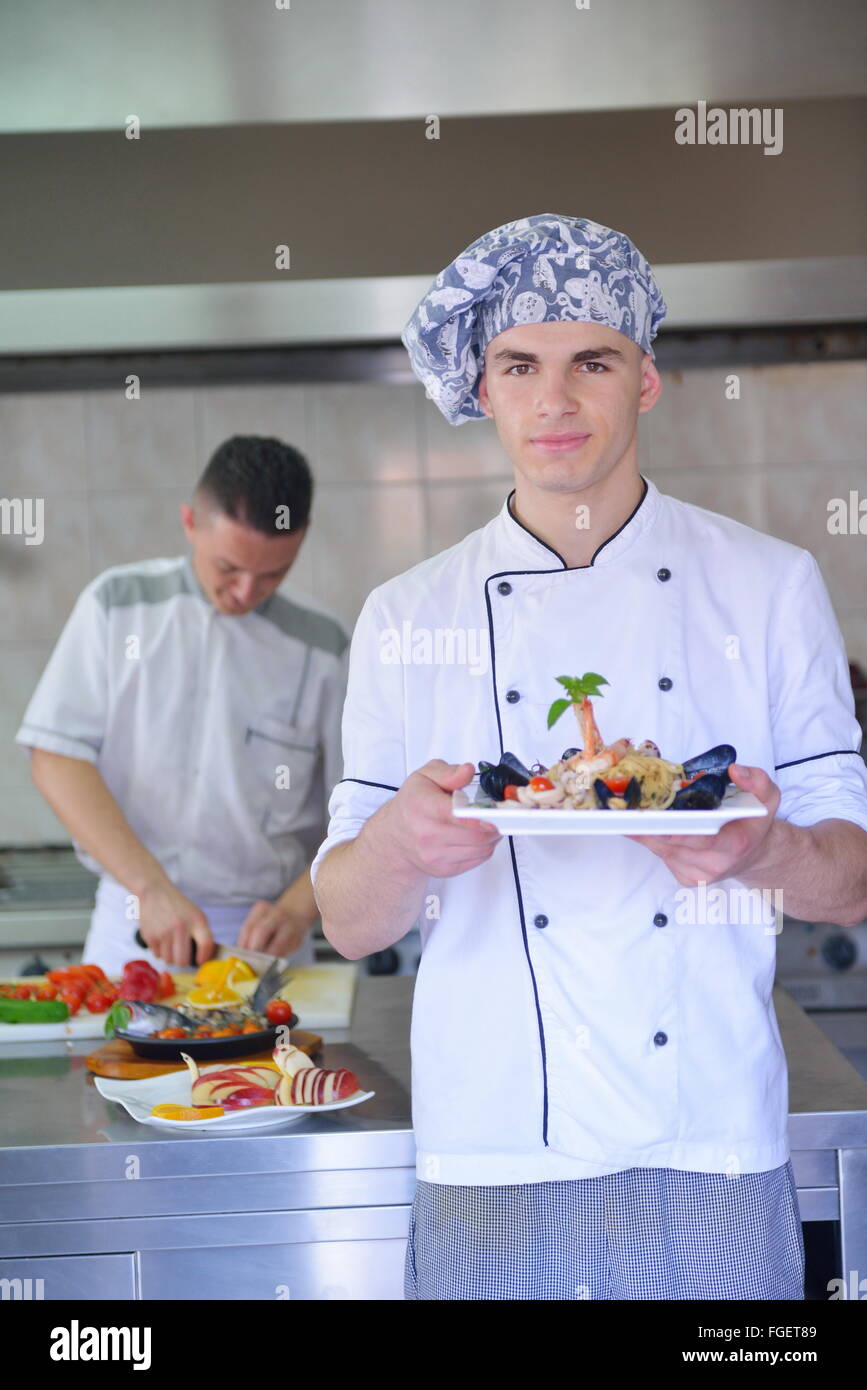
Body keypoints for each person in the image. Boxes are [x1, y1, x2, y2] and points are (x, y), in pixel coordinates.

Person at [310, 214, 867, 1300]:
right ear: (484, 385)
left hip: (708, 1146)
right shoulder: (404, 614)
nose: (554, 400)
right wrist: (401, 846)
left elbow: (852, 879)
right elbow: (349, 918)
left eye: (591, 362)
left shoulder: (768, 584)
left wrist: (764, 853)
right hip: (491, 1155)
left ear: (646, 381)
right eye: (521, 366)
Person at [17, 435, 349, 974]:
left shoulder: (326, 648)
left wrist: (300, 906)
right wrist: (149, 886)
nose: (245, 591)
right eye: (228, 568)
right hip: (134, 926)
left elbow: (357, 807)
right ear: (190, 522)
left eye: (272, 575)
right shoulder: (116, 605)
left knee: (281, 1064)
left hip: (266, 943)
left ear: (301, 539)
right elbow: (55, 756)